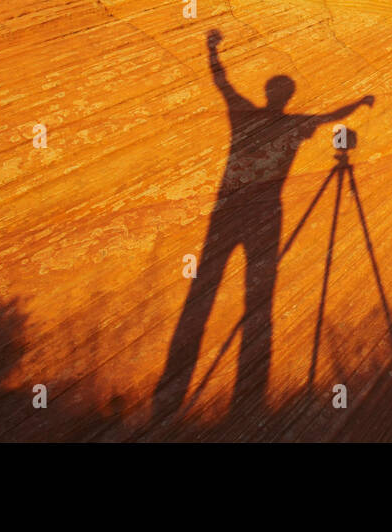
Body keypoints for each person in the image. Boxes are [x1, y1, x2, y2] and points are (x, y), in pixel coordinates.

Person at [153, 29, 373, 418]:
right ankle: (248, 400)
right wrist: (359, 103)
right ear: (286, 96)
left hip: (231, 211)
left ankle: (174, 394)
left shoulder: (246, 114)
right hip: (262, 213)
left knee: (206, 288)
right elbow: (330, 117)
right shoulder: (291, 124)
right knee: (258, 299)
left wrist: (212, 49)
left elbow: (222, 83)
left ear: (273, 93)